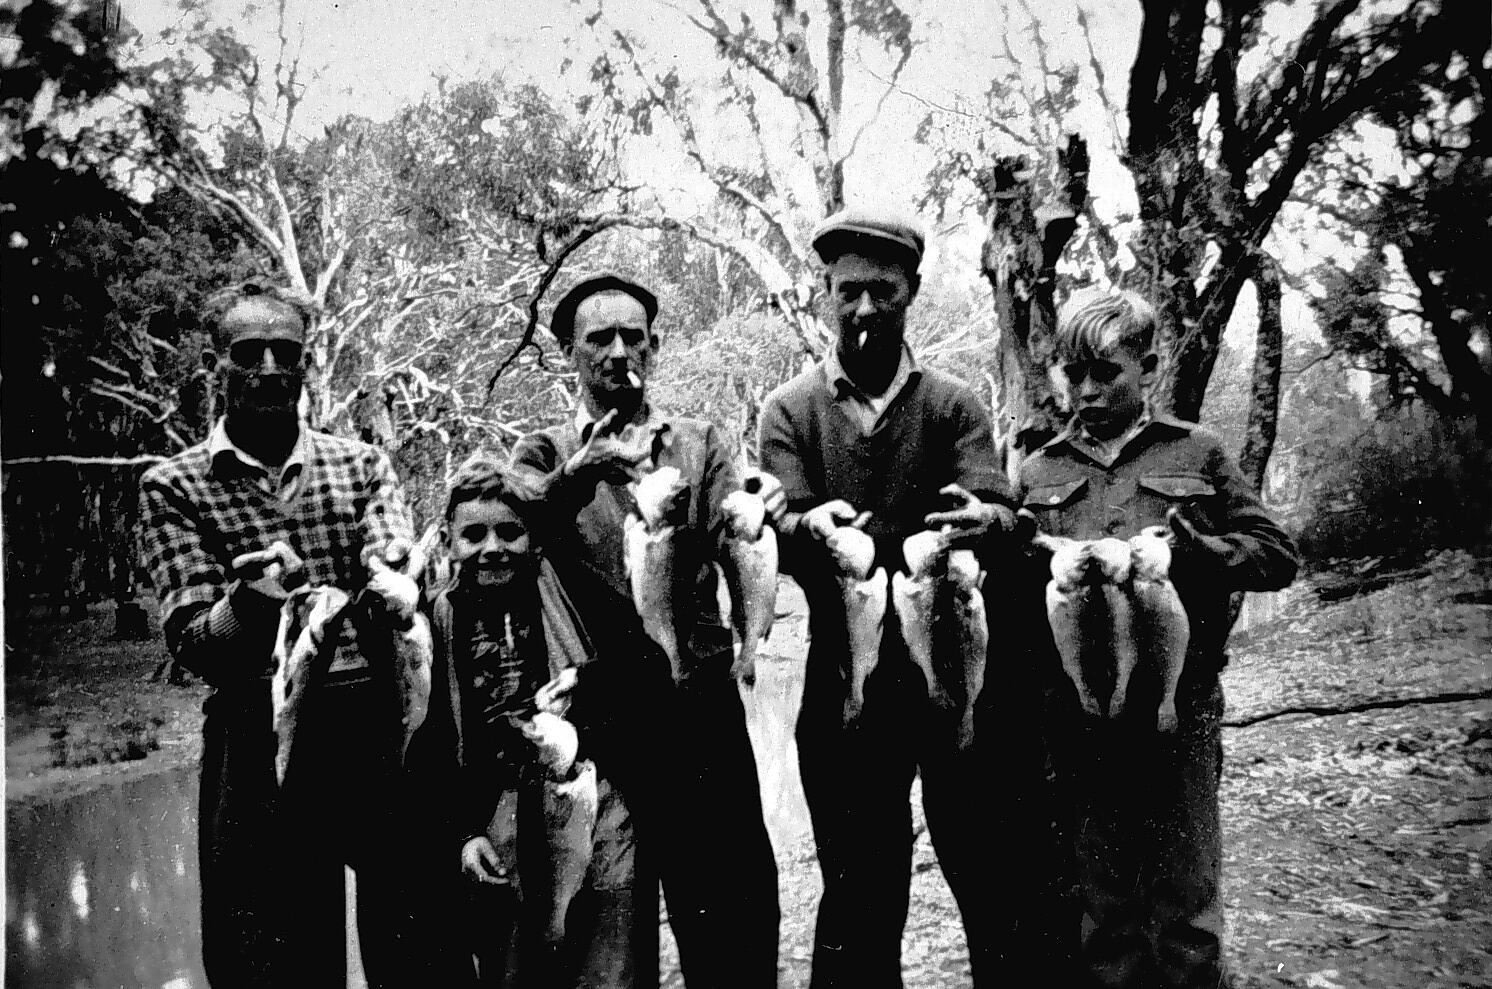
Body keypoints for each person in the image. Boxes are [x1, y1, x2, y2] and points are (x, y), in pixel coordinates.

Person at [137, 284, 429, 987]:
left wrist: (392, 573)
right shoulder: (173, 486)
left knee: (419, 939)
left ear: (305, 364)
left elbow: (390, 558)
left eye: (286, 353)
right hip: (255, 735)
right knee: (273, 962)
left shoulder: (360, 464)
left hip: (373, 725)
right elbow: (194, 640)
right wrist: (251, 601)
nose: (269, 367)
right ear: (214, 365)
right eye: (248, 353)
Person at [757, 207, 1020, 988]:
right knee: (859, 899)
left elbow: (1000, 513)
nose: (865, 308)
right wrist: (803, 522)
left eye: (883, 290)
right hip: (846, 691)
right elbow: (786, 527)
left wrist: (989, 518)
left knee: (993, 886)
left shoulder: (954, 404)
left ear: (910, 291)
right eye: (849, 292)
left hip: (955, 676)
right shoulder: (789, 412)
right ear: (824, 295)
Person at [1016, 286, 1299, 988]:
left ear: (1148, 366)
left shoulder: (1196, 451)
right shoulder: (1038, 470)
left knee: (1185, 903)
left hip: (1180, 707)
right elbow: (1018, 599)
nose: (1084, 390)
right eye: (1070, 373)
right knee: (1104, 906)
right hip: (1082, 717)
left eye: (1104, 373)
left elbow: (1277, 554)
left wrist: (1194, 552)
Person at [510, 272, 781, 988]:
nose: (618, 350)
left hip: (698, 709)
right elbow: (516, 520)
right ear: (568, 351)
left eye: (634, 336)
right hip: (597, 720)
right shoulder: (541, 453)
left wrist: (758, 512)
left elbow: (736, 530)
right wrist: (584, 468)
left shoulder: (700, 441)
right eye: (599, 337)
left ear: (655, 347)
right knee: (609, 941)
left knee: (730, 917)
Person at [407, 453, 673, 987]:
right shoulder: (432, 621)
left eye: (510, 532)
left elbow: (651, 673)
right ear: (448, 539)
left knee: (609, 974)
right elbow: (426, 748)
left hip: (597, 819)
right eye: (473, 535)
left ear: (533, 535)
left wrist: (589, 688)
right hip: (497, 834)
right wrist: (461, 835)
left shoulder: (574, 589)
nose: (492, 549)